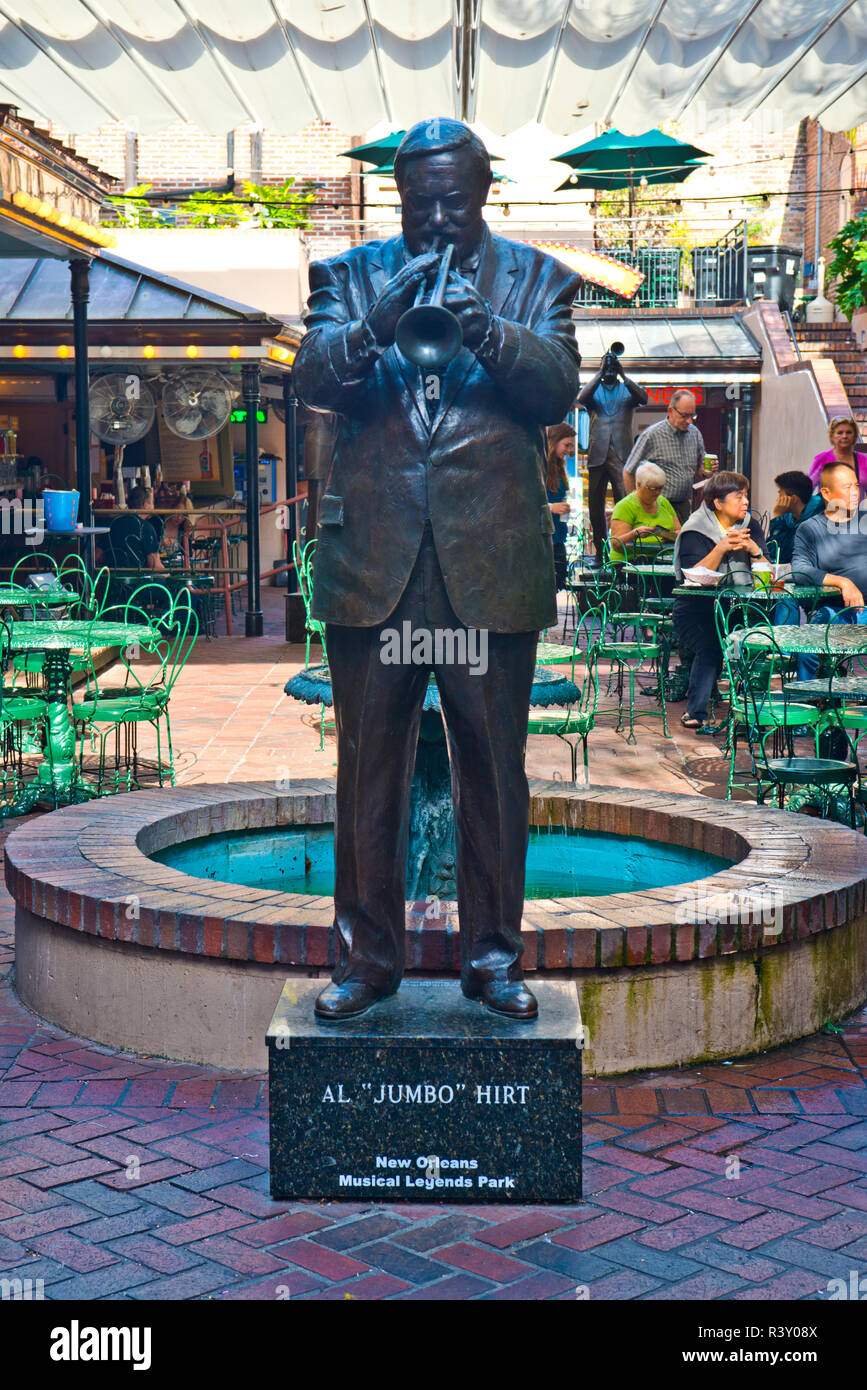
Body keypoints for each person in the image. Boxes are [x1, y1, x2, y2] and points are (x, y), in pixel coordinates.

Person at [294, 118, 581, 1022]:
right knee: (365, 771)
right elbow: (312, 377)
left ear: (484, 191)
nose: (435, 220)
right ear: (399, 198)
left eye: (452, 202)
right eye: (418, 203)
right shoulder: (348, 275)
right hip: (374, 567)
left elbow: (554, 389)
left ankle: (493, 958)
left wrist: (487, 330)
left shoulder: (540, 280)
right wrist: (378, 324)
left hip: (487, 566)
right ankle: (364, 963)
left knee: (493, 771)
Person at [672, 471, 769, 731]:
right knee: (711, 646)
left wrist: (755, 551)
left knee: (759, 640)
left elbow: (767, 575)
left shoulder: (749, 525)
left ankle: (752, 709)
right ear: (718, 502)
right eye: (738, 497)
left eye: (746, 496)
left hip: (739, 607)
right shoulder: (695, 529)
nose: (745, 502)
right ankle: (695, 711)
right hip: (696, 609)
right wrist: (722, 547)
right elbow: (692, 577)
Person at [792, 462, 867, 679]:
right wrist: (843, 582)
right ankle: (809, 704)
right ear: (826, 493)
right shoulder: (811, 529)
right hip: (835, 611)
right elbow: (800, 570)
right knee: (809, 647)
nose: (855, 492)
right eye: (847, 487)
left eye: (856, 485)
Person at [578, 347, 647, 562]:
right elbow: (581, 397)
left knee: (623, 504)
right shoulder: (594, 391)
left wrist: (623, 375)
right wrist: (599, 373)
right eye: (606, 366)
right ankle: (600, 551)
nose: (609, 370)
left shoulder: (626, 390)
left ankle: (621, 552)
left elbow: (643, 398)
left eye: (611, 367)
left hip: (621, 456)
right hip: (598, 455)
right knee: (595, 507)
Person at [623, 390, 706, 524]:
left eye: (692, 416)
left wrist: (705, 470)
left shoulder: (694, 433)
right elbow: (628, 471)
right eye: (684, 415)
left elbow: (700, 468)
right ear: (670, 411)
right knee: (660, 544)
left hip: (684, 505)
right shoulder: (651, 435)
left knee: (682, 542)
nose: (689, 421)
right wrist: (635, 504)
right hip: (657, 506)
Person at [608, 461, 680, 563]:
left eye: (660, 488)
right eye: (653, 489)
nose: (657, 492)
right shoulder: (625, 506)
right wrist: (634, 534)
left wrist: (671, 536)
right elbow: (616, 544)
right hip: (632, 563)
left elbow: (679, 530)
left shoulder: (663, 502)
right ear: (638, 485)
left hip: (663, 560)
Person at [101, 485, 167, 572]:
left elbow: (97, 555)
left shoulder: (114, 523)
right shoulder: (146, 527)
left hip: (111, 579)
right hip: (139, 581)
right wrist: (171, 573)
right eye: (152, 503)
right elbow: (155, 566)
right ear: (145, 505)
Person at [768, 470, 824, 563]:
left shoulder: (817, 518)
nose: (777, 500)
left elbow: (784, 554)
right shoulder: (788, 516)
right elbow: (772, 550)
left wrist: (777, 517)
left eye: (780, 495)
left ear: (793, 499)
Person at [546, 422, 575, 590]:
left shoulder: (560, 466)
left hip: (558, 534)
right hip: (544, 537)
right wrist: (551, 507)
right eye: (567, 445)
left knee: (558, 584)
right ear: (554, 441)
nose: (569, 450)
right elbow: (528, 502)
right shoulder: (540, 466)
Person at [808, 416, 867, 492]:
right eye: (840, 433)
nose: (844, 436)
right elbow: (808, 489)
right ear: (832, 436)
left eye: (849, 432)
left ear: (855, 436)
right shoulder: (822, 459)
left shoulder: (864, 460)